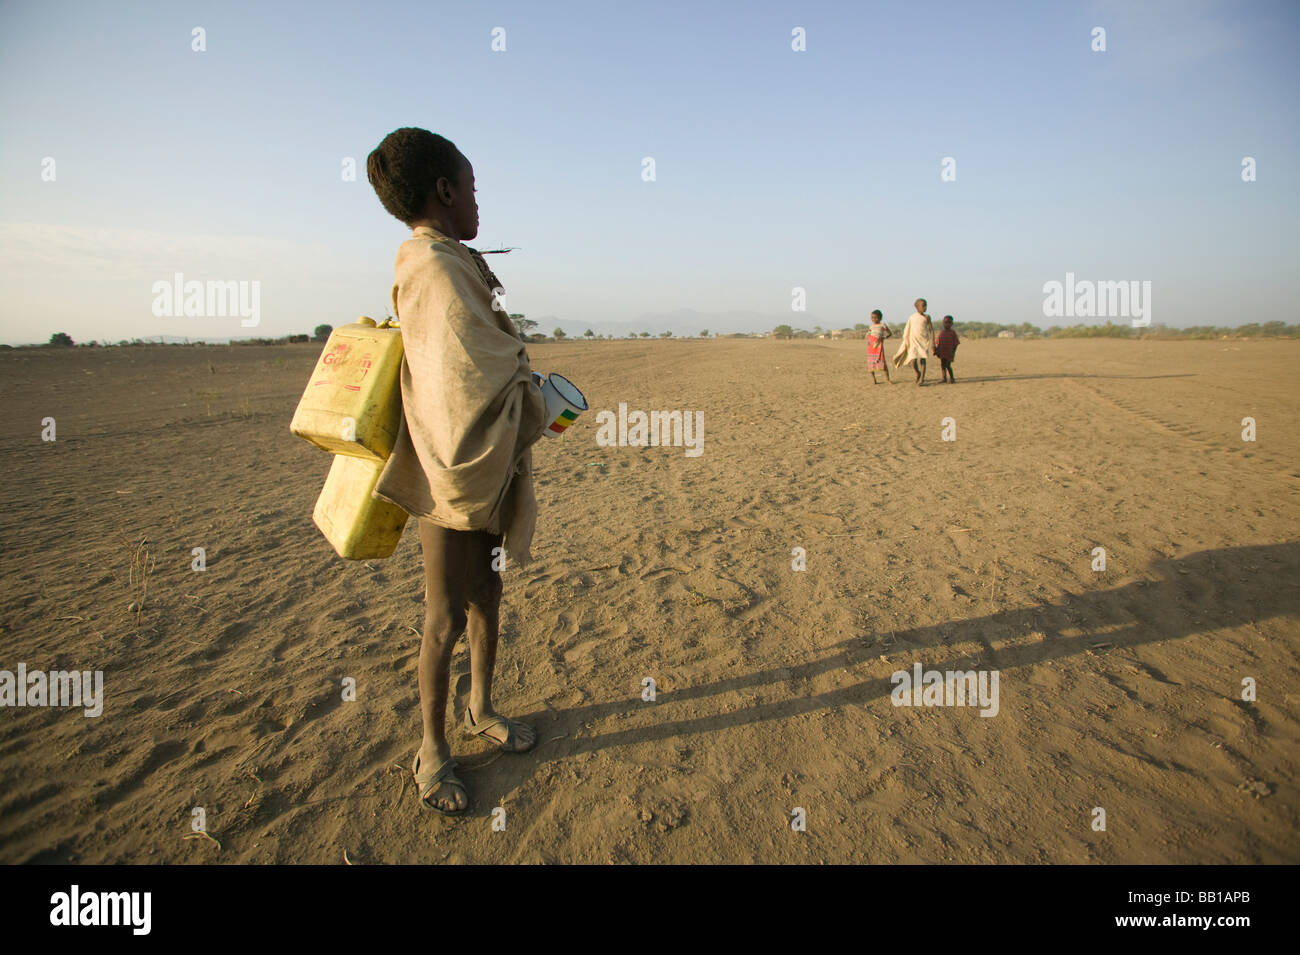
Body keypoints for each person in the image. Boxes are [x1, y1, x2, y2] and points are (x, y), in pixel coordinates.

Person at [366, 127, 548, 815]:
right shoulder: (435, 269)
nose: (478, 202)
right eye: (473, 188)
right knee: (442, 618)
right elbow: (464, 377)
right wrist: (528, 386)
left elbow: (487, 353)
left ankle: (482, 708)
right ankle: (432, 749)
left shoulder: (449, 261)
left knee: (487, 602)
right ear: (444, 191)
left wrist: (518, 379)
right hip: (451, 474)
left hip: (484, 468)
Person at [892, 298, 935, 385]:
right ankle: (917, 373)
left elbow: (931, 330)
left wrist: (933, 341)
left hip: (923, 341)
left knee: (923, 359)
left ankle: (922, 379)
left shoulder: (927, 317)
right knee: (913, 360)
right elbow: (908, 329)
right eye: (923, 305)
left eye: (926, 305)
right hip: (914, 342)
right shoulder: (912, 317)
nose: (925, 307)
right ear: (917, 307)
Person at [866, 309, 892, 384]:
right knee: (871, 363)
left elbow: (889, 333)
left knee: (882, 362)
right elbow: (869, 333)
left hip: (879, 345)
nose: (874, 319)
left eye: (875, 317)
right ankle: (873, 379)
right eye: (872, 318)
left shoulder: (882, 325)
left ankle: (887, 379)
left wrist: (883, 338)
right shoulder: (871, 326)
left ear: (880, 318)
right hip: (871, 346)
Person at [934, 315, 960, 383]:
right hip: (942, 352)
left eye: (949, 322)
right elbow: (938, 343)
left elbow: (956, 343)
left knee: (948, 365)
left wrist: (953, 352)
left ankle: (952, 378)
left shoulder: (952, 333)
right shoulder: (941, 333)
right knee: (942, 365)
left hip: (949, 353)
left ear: (952, 324)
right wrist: (936, 350)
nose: (947, 324)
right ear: (943, 323)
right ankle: (944, 378)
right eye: (945, 322)